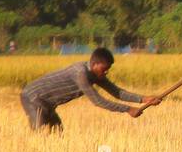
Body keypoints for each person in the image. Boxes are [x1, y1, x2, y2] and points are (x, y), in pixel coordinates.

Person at [19, 47, 160, 132]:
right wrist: (128, 109)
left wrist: (144, 99)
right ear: (95, 64)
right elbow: (98, 101)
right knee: (41, 134)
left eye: (107, 70)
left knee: (57, 133)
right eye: (104, 69)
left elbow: (116, 92)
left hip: (48, 103)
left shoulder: (95, 74)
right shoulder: (80, 74)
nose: (106, 73)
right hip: (32, 98)